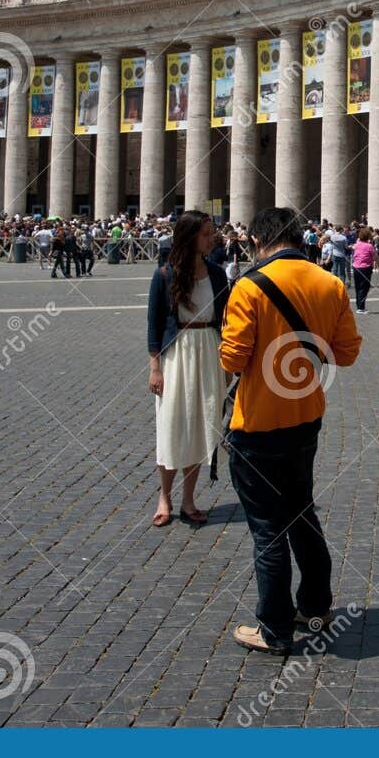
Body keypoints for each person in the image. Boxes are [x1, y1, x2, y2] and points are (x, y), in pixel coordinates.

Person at [220, 206, 361, 654]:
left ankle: (275, 628)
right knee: (302, 513)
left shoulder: (249, 286)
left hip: (258, 422)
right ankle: (315, 607)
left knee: (267, 528)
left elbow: (232, 360)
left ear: (259, 242)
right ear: (299, 239)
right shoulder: (331, 283)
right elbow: (347, 354)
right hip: (306, 417)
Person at [147, 211, 232, 528]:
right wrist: (154, 368)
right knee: (171, 425)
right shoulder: (164, 275)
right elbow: (154, 325)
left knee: (201, 425)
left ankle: (188, 499)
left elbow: (225, 322)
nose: (213, 239)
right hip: (176, 355)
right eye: (207, 234)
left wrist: (227, 364)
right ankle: (164, 497)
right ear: (190, 237)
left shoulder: (218, 274)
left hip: (209, 350)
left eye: (213, 233)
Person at [351, 226, 377, 314]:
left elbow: (353, 249)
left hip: (356, 267)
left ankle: (359, 306)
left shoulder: (356, 245)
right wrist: (378, 264)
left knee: (358, 287)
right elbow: (375, 257)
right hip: (365, 268)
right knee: (364, 288)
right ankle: (361, 308)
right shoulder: (369, 246)